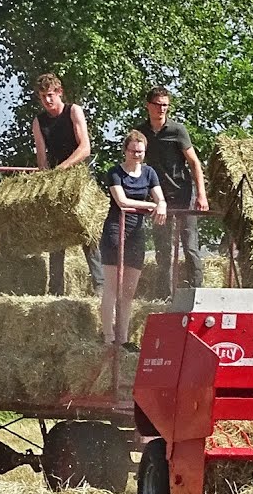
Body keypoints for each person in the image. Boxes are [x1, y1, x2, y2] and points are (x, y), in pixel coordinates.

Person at [30, 73, 105, 295]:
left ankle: (100, 287)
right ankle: (56, 291)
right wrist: (46, 179)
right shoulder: (39, 122)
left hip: (79, 178)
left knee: (87, 232)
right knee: (56, 235)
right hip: (55, 183)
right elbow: (42, 157)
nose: (47, 100)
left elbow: (85, 148)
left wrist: (61, 169)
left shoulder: (74, 111)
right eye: (43, 96)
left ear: (59, 92)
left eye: (50, 95)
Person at [137, 87, 207, 299]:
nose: (162, 109)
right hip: (159, 197)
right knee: (163, 248)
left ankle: (198, 294)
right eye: (158, 104)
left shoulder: (177, 130)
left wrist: (201, 194)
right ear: (148, 105)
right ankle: (164, 297)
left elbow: (194, 163)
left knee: (190, 245)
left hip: (183, 193)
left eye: (165, 105)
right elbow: (136, 164)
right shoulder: (141, 132)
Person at [100, 130, 167, 350]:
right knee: (112, 288)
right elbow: (122, 201)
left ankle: (123, 338)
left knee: (129, 291)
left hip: (137, 233)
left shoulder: (149, 173)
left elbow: (160, 198)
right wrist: (151, 206)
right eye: (133, 151)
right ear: (125, 151)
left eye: (140, 151)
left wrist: (161, 205)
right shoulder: (115, 172)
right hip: (115, 230)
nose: (137, 155)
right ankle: (108, 336)